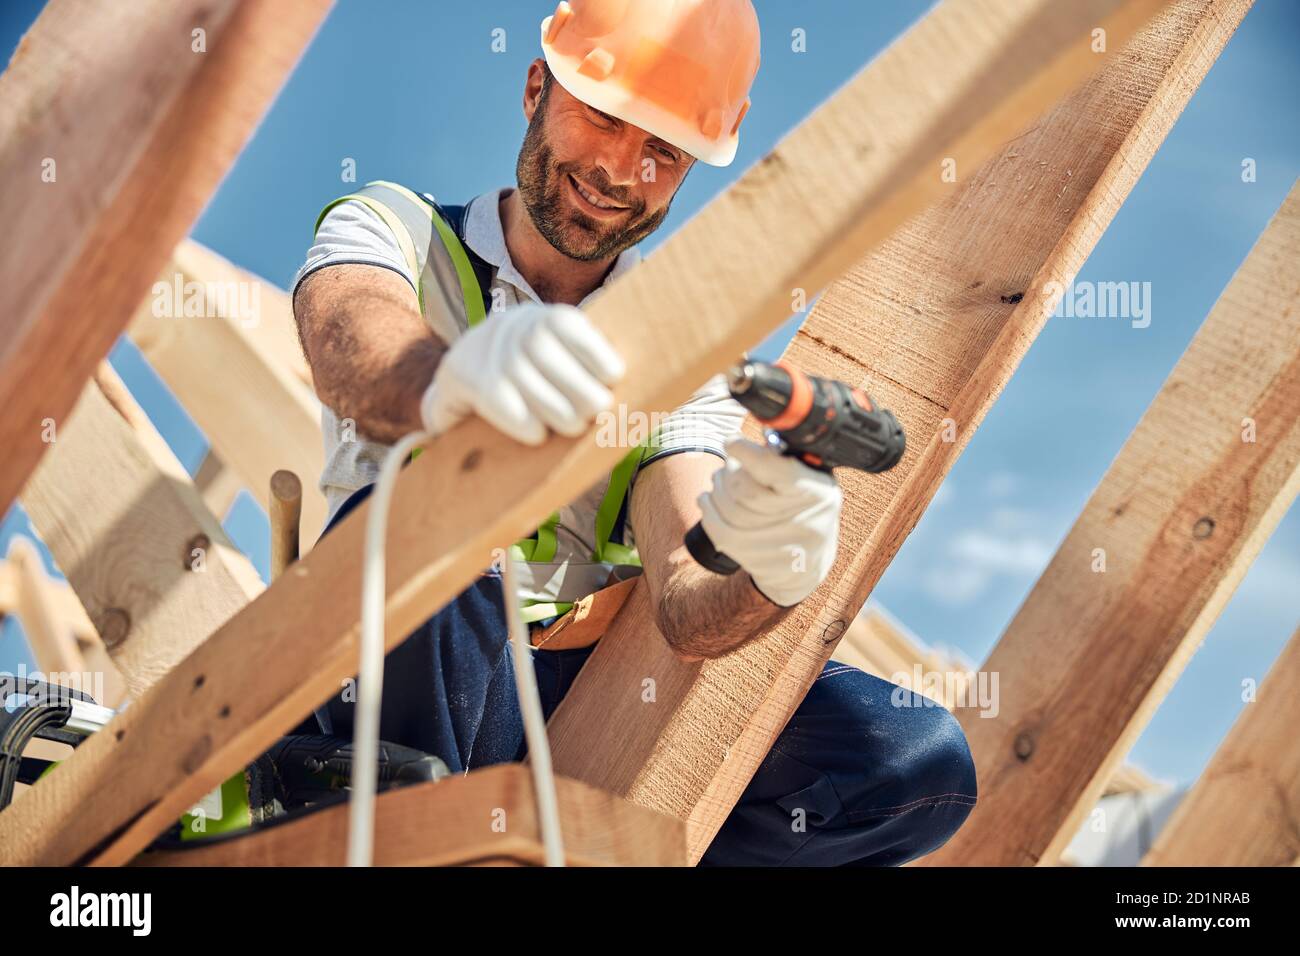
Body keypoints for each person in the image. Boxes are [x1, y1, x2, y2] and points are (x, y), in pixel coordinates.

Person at [291, 0, 976, 865]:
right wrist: (449, 382)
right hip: (403, 660)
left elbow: (691, 610)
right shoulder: (396, 226)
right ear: (538, 84)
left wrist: (766, 566)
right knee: (432, 519)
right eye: (604, 117)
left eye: (663, 150)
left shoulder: (675, 356)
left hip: (575, 709)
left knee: (914, 762)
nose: (619, 169)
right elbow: (348, 334)